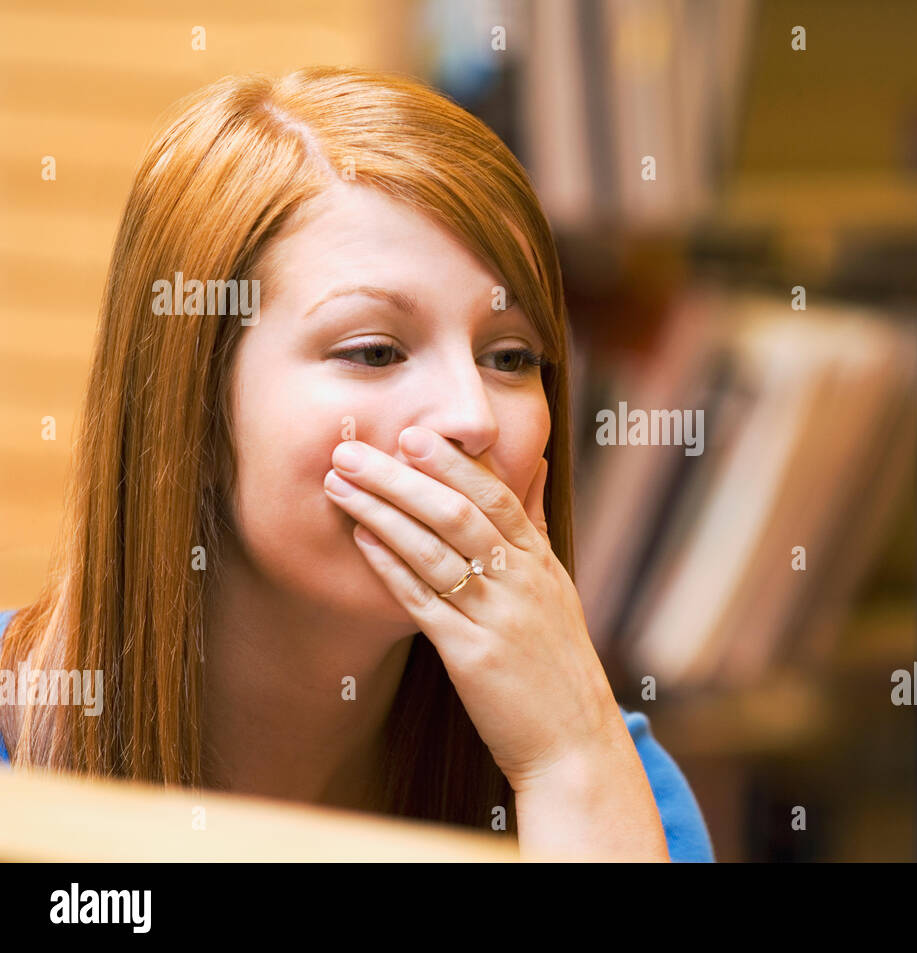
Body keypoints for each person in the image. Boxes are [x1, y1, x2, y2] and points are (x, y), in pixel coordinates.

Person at [0, 67, 713, 863]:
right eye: (374, 350)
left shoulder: (624, 791)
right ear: (191, 414)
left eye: (510, 355)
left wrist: (570, 764)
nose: (472, 417)